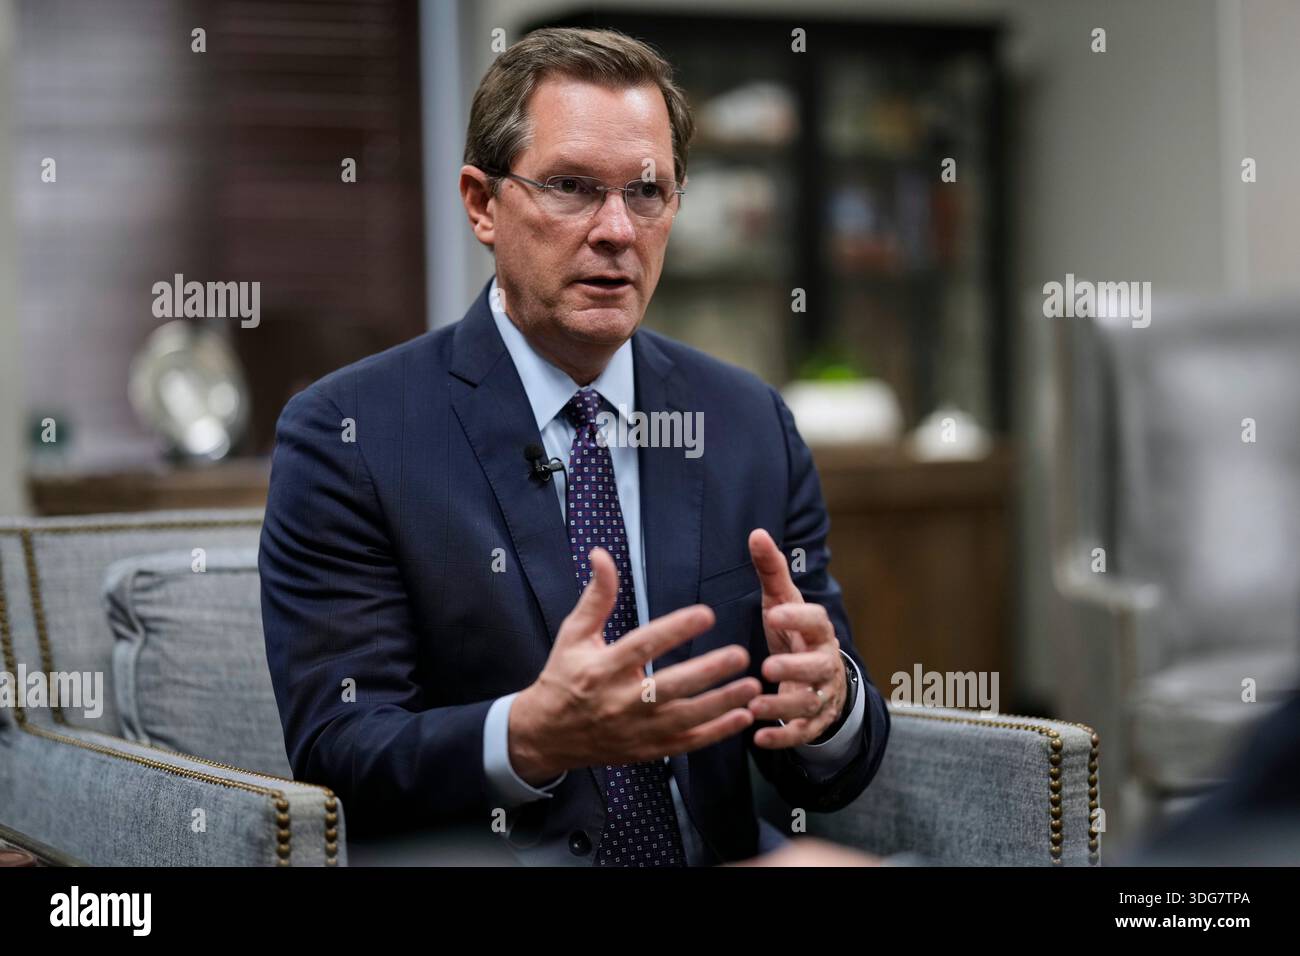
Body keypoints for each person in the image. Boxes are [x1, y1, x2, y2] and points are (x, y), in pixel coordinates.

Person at [259, 26, 889, 866]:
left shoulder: (746, 423)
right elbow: (340, 748)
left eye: (647, 191)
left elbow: (831, 755)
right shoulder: (352, 436)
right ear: (482, 203)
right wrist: (528, 736)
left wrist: (831, 706)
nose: (616, 230)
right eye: (571, 187)